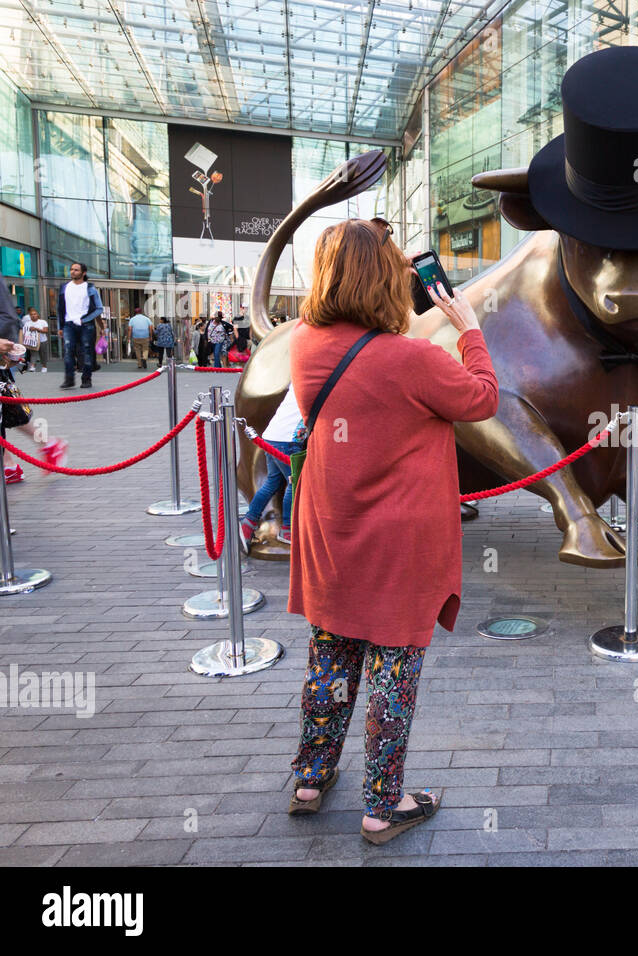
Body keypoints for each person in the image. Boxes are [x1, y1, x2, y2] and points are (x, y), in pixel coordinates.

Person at [286, 219, 497, 844]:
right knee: (393, 670)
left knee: (330, 654)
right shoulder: (413, 360)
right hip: (399, 544)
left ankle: (309, 778)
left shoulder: (304, 342)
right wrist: (471, 331)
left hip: (330, 527)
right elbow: (482, 397)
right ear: (384, 280)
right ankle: (383, 805)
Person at [0, 268, 67, 479]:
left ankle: (48, 444)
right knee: (4, 411)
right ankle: (9, 465)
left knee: (6, 409)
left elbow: (7, 316)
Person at [239, 382, 303, 551]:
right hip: (287, 441)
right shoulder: (312, 382)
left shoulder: (299, 378)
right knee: (294, 483)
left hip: (272, 436)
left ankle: (248, 523)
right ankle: (287, 529)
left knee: (272, 483)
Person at [58, 261, 103, 389]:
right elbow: (60, 308)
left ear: (83, 273)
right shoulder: (64, 287)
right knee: (68, 351)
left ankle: (86, 379)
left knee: (87, 352)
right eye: (71, 269)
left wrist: (85, 319)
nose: (73, 271)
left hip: (86, 325)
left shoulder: (90, 288)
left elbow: (99, 308)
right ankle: (69, 379)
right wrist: (60, 326)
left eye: (76, 270)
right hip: (68, 324)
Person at [20, 308, 48, 372]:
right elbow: (25, 332)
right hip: (32, 341)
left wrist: (36, 329)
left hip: (42, 340)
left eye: (35, 314)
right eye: (31, 314)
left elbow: (46, 331)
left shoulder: (43, 322)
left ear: (37, 315)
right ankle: (33, 367)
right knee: (33, 354)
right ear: (30, 316)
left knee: (43, 354)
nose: (33, 315)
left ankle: (44, 367)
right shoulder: (27, 323)